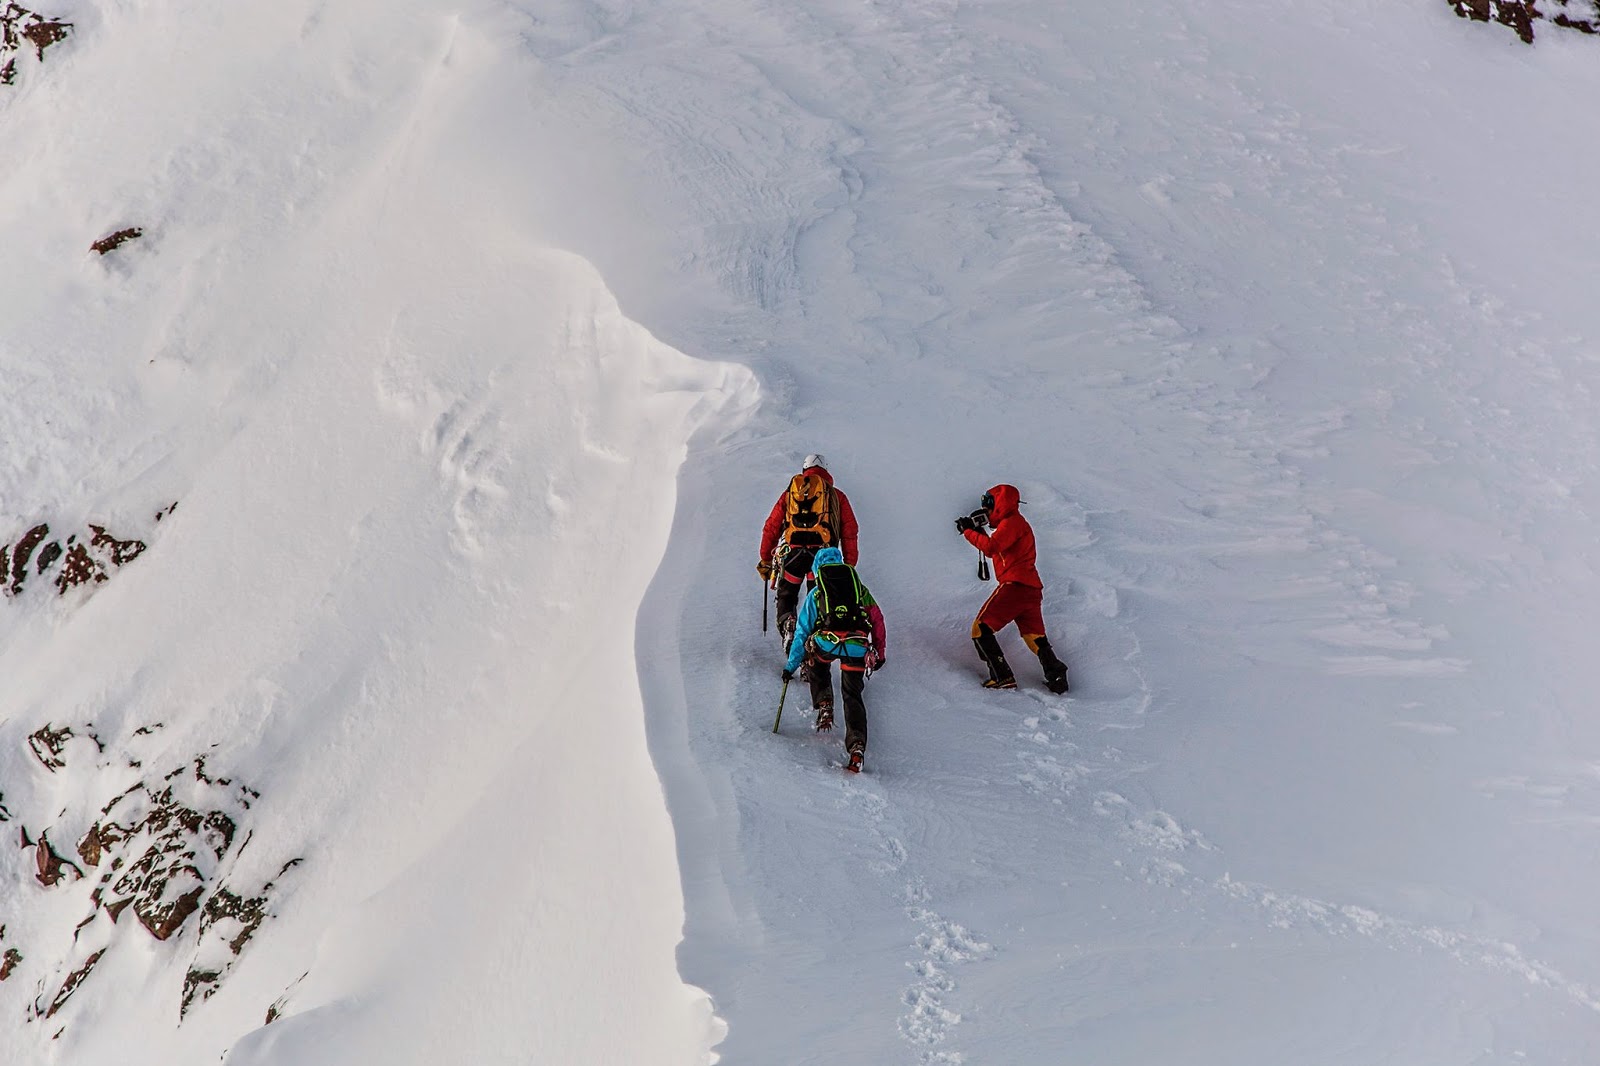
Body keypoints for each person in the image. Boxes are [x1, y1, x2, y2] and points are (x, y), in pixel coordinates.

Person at [955, 484, 1069, 693]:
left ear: (998, 505)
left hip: (1015, 586)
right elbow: (998, 548)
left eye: (988, 508)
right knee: (1035, 638)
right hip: (1030, 590)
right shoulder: (1015, 525)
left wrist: (968, 532)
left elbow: (991, 548)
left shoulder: (1012, 522)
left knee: (981, 629)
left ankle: (1002, 677)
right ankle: (1057, 676)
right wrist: (979, 532)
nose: (987, 514)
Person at [781, 546, 886, 773]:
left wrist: (790, 666)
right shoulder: (860, 589)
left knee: (816, 660)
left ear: (818, 569)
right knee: (852, 695)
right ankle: (857, 747)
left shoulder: (817, 593)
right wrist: (880, 652)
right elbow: (877, 620)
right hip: (856, 649)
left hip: (826, 643)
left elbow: (801, 632)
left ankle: (824, 702)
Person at [756, 454, 860, 652]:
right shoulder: (837, 496)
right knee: (819, 600)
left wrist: (766, 560)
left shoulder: (790, 494)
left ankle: (789, 622)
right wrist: (849, 565)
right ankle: (811, 649)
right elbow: (850, 531)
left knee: (787, 595)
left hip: (792, 555)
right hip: (822, 558)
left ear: (805, 470)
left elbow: (771, 527)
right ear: (827, 472)